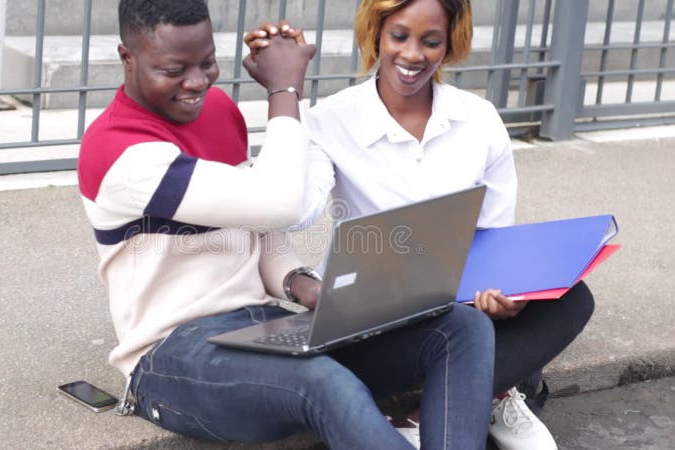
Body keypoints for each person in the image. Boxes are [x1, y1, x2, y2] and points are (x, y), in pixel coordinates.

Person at [77, 1, 496, 449]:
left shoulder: (216, 111)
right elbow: (278, 203)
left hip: (262, 326)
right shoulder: (117, 151)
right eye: (173, 69)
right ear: (127, 59)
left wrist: (305, 284)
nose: (197, 83)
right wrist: (284, 90)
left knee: (460, 327)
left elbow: (260, 230)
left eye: (207, 63)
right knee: (322, 382)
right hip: (171, 355)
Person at [245, 0, 595, 449]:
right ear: (376, 34)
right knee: (461, 332)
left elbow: (491, 238)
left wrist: (506, 296)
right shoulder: (330, 121)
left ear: (450, 44)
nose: (413, 55)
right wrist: (284, 88)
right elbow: (294, 210)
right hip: (374, 315)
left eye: (431, 41)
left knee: (572, 297)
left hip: (461, 299)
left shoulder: (478, 119)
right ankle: (480, 391)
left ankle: (435, 407)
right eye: (399, 36)